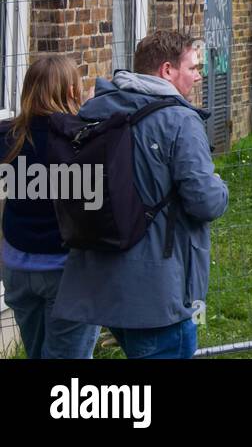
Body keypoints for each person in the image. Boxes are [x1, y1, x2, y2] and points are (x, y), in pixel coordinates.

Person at [52, 31, 228, 359]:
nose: (198, 75)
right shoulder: (180, 121)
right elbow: (206, 201)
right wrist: (220, 185)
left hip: (102, 280)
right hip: (158, 291)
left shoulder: (97, 108)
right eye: (192, 67)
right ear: (166, 70)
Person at [0, 55, 100, 359]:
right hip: (65, 269)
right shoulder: (82, 138)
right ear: (72, 91)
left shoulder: (7, 136)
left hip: (16, 266)